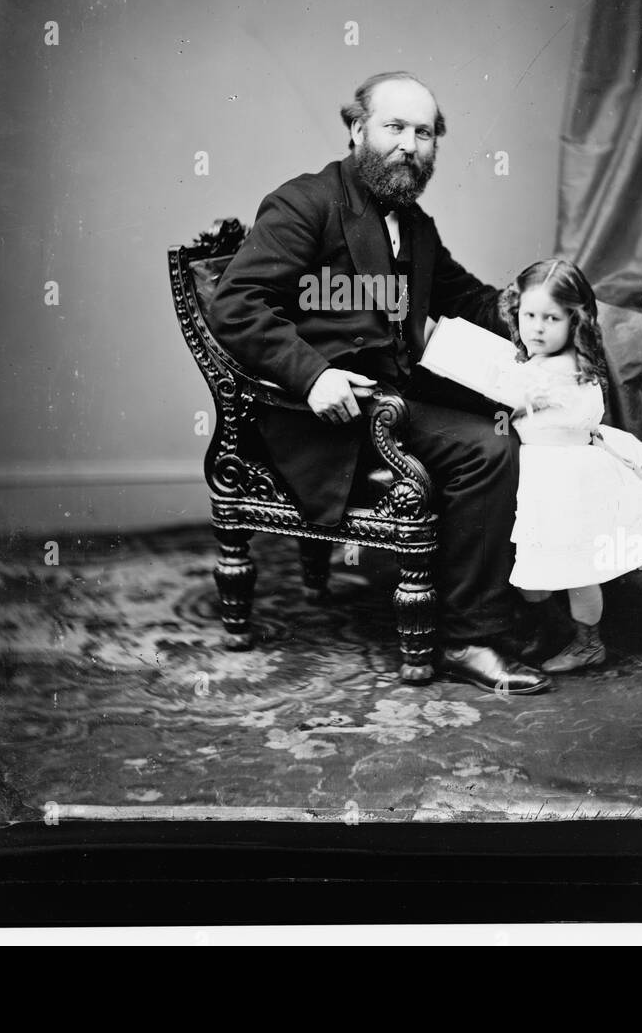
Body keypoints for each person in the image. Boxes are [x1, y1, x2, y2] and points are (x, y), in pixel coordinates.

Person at [208, 71, 550, 693]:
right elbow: (236, 306)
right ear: (357, 128)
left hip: (392, 400)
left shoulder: (412, 222)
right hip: (321, 414)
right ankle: (467, 639)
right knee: (488, 450)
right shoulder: (305, 202)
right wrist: (311, 376)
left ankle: (496, 603)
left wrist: (530, 315)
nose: (409, 145)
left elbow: (463, 296)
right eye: (394, 127)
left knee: (516, 420)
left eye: (424, 133)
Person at [494, 259, 642, 672]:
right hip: (539, 478)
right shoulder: (534, 365)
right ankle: (552, 628)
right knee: (536, 569)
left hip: (568, 481)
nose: (537, 328)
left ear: (574, 321)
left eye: (551, 318)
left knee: (579, 570)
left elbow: (571, 413)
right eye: (529, 316)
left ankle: (588, 642)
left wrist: (515, 399)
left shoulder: (567, 371)